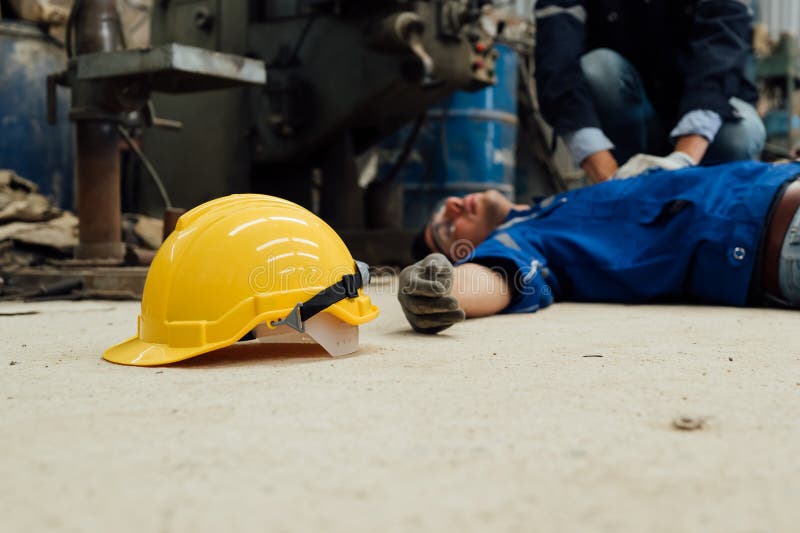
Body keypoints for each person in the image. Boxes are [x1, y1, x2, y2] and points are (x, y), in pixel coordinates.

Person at [400, 161, 800, 333]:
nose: (453, 208)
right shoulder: (523, 238)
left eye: (443, 209)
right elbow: (498, 274)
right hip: (777, 235)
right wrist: (442, 287)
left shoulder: (554, 206)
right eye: (449, 230)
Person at [533, 0, 766, 183]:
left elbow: (720, 50)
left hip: (701, 125)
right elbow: (557, 59)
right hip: (627, 119)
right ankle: (626, 188)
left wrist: (682, 161)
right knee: (598, 68)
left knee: (742, 133)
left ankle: (705, 194)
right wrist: (608, 178)